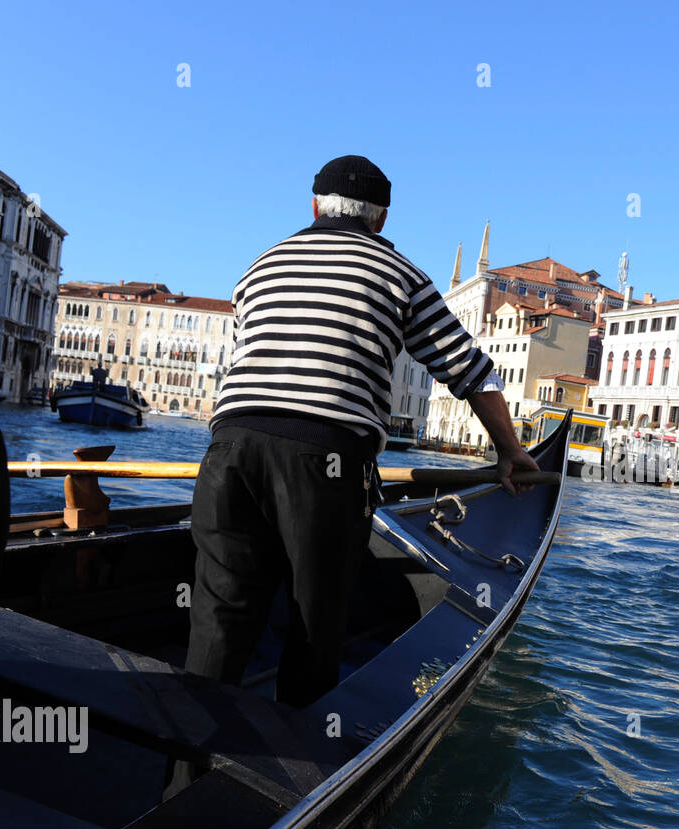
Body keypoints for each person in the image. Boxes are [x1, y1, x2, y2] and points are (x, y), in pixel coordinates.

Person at [185, 155, 538, 709]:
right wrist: (511, 452)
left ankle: (187, 770)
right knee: (315, 624)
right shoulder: (399, 274)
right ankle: (296, 773)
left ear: (314, 207)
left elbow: (250, 363)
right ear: (381, 219)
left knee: (218, 622)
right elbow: (469, 371)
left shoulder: (261, 266)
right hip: (323, 461)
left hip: (229, 449)